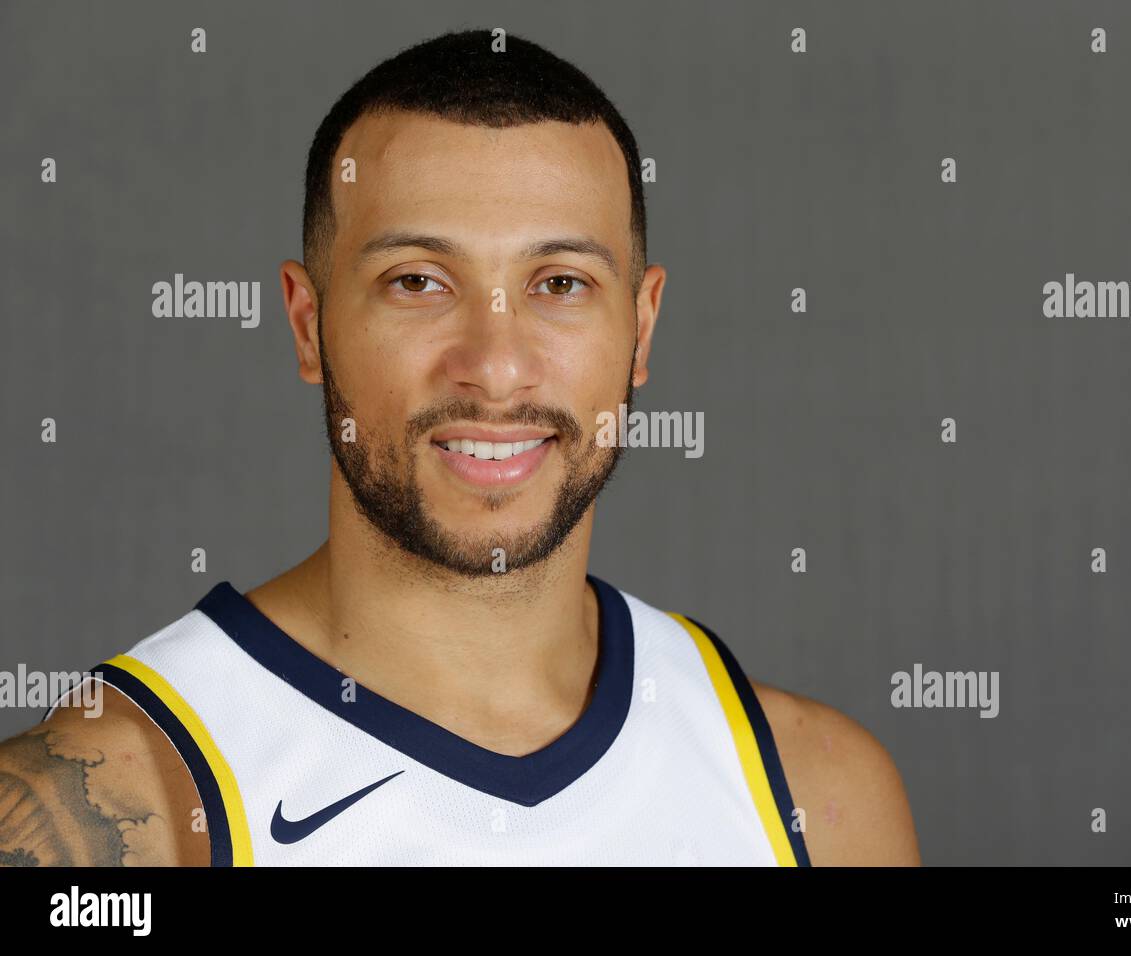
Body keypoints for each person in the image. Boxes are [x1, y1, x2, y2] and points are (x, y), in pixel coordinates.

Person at [0, 29, 919, 867]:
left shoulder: (817, 797)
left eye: (559, 282)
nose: (495, 366)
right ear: (307, 324)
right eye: (418, 282)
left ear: (642, 330)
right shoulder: (109, 811)